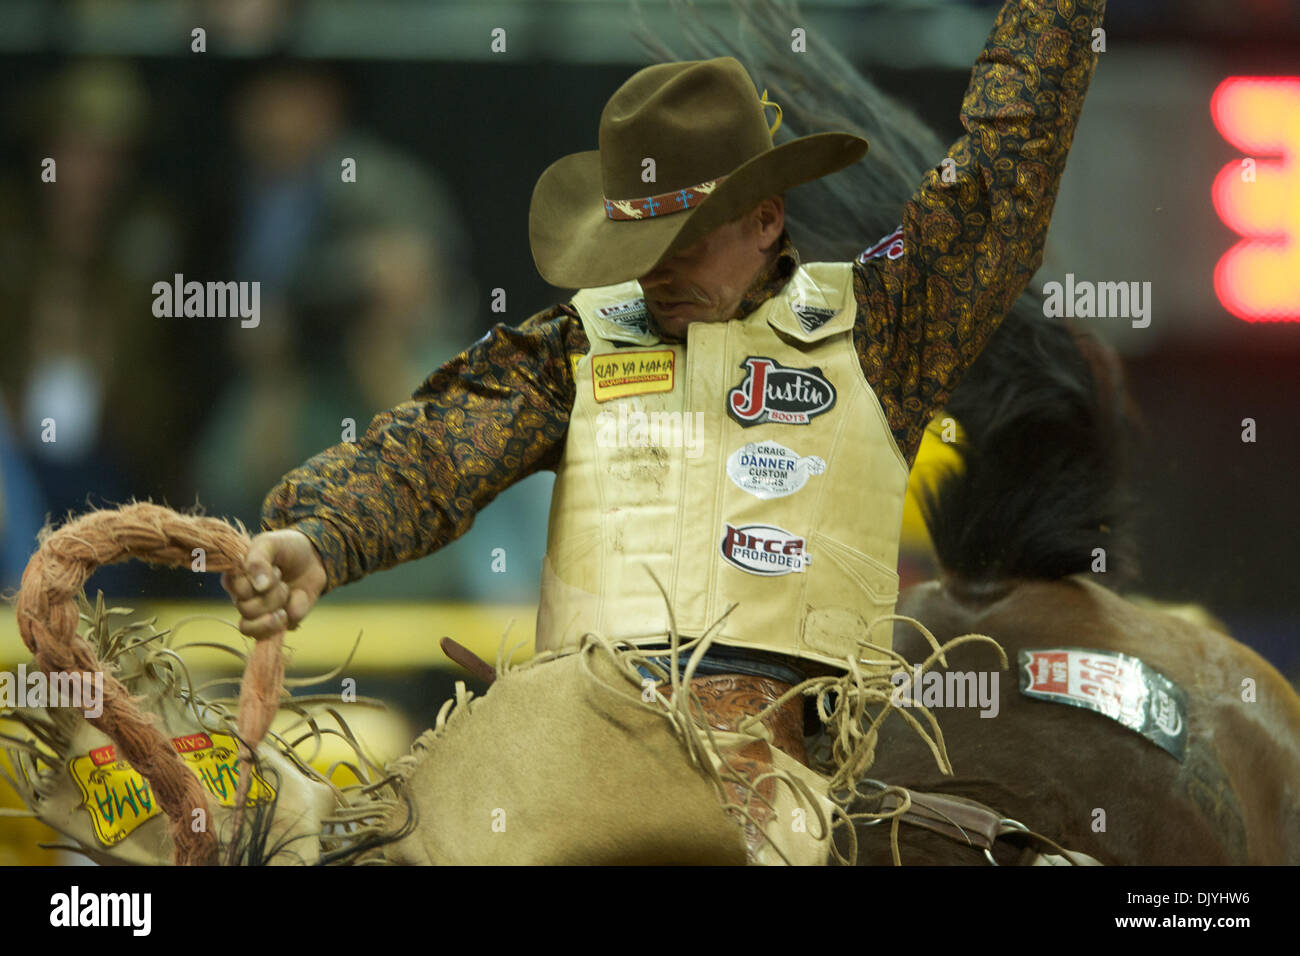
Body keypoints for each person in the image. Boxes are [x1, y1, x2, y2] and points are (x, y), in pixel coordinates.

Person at [223, 0, 1107, 863]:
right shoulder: (574, 344)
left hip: (802, 756)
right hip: (570, 745)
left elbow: (1003, 175)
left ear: (767, 220)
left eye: (682, 243)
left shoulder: (881, 327)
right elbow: (434, 448)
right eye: (637, 248)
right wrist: (322, 534)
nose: (653, 274)